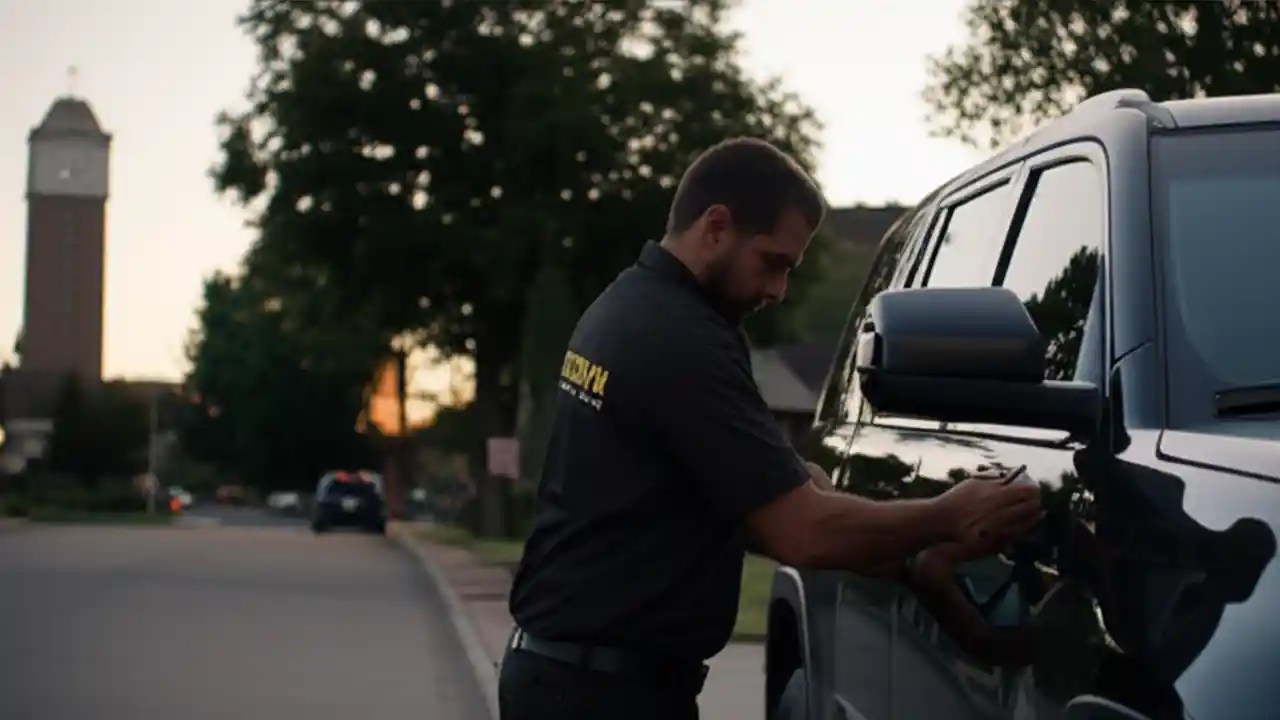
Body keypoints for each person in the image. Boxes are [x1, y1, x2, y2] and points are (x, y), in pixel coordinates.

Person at [499, 137, 1043, 719]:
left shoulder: (629, 305)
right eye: (772, 262)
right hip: (598, 695)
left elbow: (740, 491)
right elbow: (801, 533)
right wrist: (950, 513)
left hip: (572, 678)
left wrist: (889, 540)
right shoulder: (680, 340)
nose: (777, 290)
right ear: (716, 227)